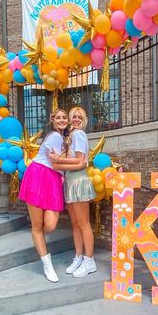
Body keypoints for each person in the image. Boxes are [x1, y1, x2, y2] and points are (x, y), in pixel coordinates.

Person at [18, 109, 85, 283]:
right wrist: (80, 162)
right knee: (37, 225)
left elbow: (59, 163)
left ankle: (39, 239)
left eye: (64, 117)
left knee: (50, 224)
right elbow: (55, 163)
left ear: (68, 122)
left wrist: (79, 161)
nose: (62, 120)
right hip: (39, 175)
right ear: (52, 120)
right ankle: (47, 264)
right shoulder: (55, 136)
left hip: (53, 180)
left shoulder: (65, 139)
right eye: (58, 117)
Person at [49, 106, 96, 278]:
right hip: (70, 182)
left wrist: (59, 162)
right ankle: (79, 256)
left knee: (83, 224)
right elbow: (78, 162)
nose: (76, 119)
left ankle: (89, 261)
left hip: (78, 182)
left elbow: (80, 161)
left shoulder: (78, 134)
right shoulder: (70, 137)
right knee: (75, 224)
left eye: (79, 117)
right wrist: (59, 163)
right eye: (73, 116)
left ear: (84, 120)